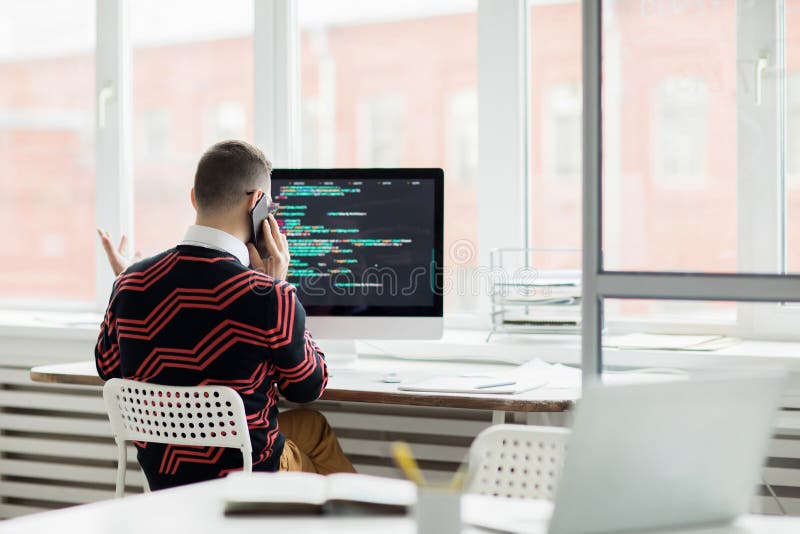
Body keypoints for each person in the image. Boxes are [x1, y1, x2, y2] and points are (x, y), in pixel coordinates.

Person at [94, 140, 355, 490]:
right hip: (247, 478)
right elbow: (308, 385)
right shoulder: (268, 295)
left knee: (312, 426)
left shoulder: (129, 283)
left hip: (165, 479)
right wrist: (279, 287)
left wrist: (131, 290)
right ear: (257, 202)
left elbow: (108, 368)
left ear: (193, 197)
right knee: (315, 457)